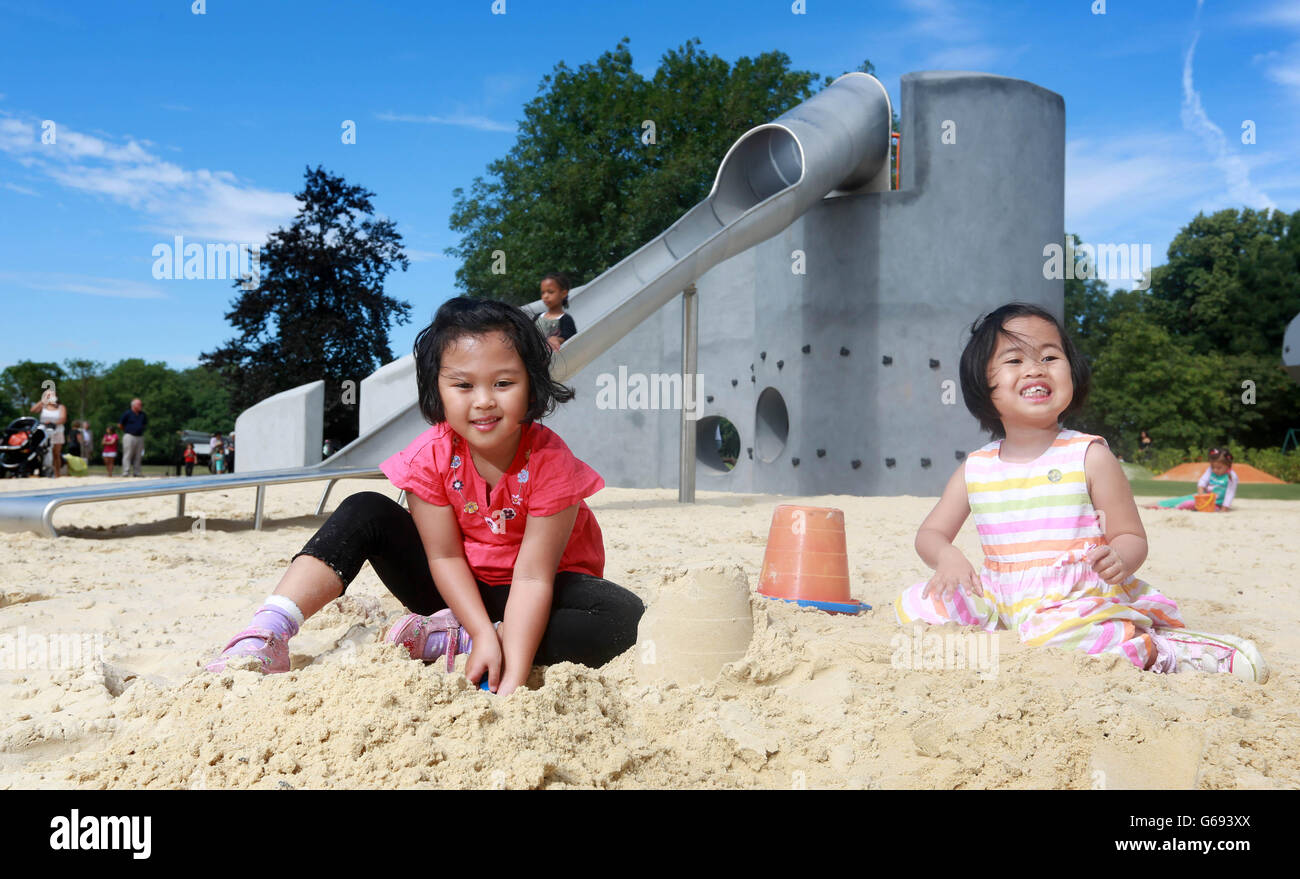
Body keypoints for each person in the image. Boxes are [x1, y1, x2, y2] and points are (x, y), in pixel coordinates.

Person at [205, 298, 644, 693]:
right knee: (364, 508)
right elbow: (445, 558)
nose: (485, 401)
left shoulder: (550, 461)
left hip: (539, 593)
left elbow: (533, 578)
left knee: (626, 620)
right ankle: (267, 633)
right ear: (438, 389)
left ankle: (457, 637)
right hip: (454, 588)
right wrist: (485, 631)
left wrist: (509, 678)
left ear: (531, 385)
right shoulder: (430, 457)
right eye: (464, 385)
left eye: (504, 383)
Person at [893, 302, 1268, 682]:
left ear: (1073, 373)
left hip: (1077, 601)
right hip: (1001, 600)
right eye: (1014, 360)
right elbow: (931, 534)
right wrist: (948, 557)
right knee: (916, 604)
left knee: (1060, 635)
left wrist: (1121, 557)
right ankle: (1011, 641)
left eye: (1050, 356)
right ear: (981, 384)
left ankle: (1168, 649)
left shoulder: (1088, 456)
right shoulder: (976, 467)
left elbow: (1130, 534)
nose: (1035, 368)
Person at [1150, 447, 1238, 512]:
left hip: (1215, 504)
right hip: (1203, 497)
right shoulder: (1211, 470)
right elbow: (1202, 482)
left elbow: (1230, 493)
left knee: (1189, 503)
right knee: (1183, 498)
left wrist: (1224, 508)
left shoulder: (1231, 476)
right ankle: (1159, 504)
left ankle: (1174, 508)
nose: (1215, 470)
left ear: (1228, 465)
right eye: (1213, 467)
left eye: (1219, 468)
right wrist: (1201, 495)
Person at [535, 272, 577, 352]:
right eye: (543, 293)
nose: (545, 296)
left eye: (550, 292)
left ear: (564, 293)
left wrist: (557, 339)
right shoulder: (537, 317)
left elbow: (569, 337)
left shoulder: (566, 319)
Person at [30, 389, 67, 478]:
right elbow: (33, 410)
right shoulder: (43, 406)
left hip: (57, 431)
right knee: (42, 452)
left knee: (56, 454)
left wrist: (53, 423)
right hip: (43, 432)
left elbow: (63, 418)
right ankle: (41, 471)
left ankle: (57, 473)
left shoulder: (60, 407)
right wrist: (43, 400)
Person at [118, 398, 147, 477]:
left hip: (139, 436)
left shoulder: (143, 414)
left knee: (138, 455)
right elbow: (120, 424)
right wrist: (127, 430)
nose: (141, 406)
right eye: (139, 404)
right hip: (129, 436)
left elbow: (144, 424)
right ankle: (126, 472)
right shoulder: (127, 413)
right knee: (128, 454)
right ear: (133, 405)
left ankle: (137, 472)